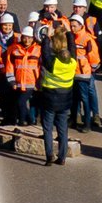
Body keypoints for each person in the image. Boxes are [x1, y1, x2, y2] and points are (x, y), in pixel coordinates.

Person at [38, 29, 79, 165]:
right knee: (63, 130)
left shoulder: (52, 64)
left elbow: (44, 52)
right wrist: (69, 33)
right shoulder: (72, 63)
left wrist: (47, 36)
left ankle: (49, 155)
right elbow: (73, 48)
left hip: (49, 100)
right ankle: (62, 157)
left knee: (47, 129)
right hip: (65, 101)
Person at [6, 16, 41, 133]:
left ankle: (26, 120)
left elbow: (41, 67)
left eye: (29, 38)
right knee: (18, 103)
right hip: (19, 82)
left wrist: (39, 82)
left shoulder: (38, 50)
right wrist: (12, 81)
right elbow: (10, 66)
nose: (27, 40)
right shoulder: (14, 49)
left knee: (21, 102)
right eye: (25, 37)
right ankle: (25, 121)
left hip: (32, 83)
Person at [69, 8, 101, 132]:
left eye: (74, 26)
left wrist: (89, 70)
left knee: (84, 99)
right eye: (71, 26)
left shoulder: (87, 39)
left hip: (83, 74)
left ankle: (87, 123)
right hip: (73, 72)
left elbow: (94, 57)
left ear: (81, 26)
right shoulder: (71, 37)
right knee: (74, 98)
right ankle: (74, 119)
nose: (72, 28)